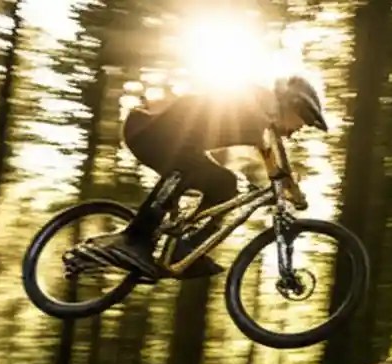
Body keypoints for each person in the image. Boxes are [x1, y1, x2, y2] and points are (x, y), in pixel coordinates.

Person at [101, 74, 328, 280]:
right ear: (292, 105)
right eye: (304, 121)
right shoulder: (259, 105)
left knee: (225, 184)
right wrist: (291, 190)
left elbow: (278, 170)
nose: (300, 129)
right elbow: (276, 160)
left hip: (175, 141)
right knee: (185, 167)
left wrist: (293, 194)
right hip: (147, 129)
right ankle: (133, 239)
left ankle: (186, 247)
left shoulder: (264, 123)